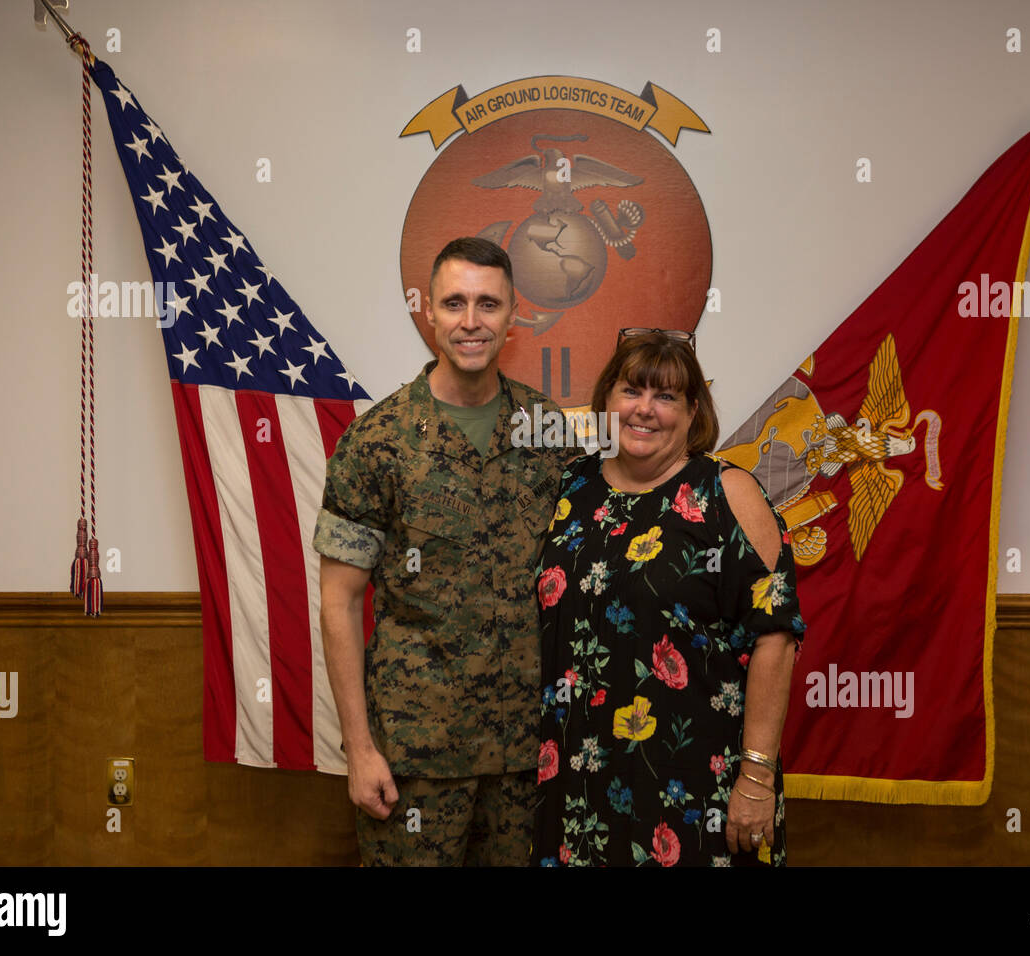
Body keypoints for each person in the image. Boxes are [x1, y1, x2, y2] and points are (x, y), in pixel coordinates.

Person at [314, 237, 574, 865]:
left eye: (488, 304)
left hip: (525, 757)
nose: (470, 321)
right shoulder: (377, 441)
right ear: (427, 311)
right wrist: (360, 748)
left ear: (513, 316)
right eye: (454, 303)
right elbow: (340, 601)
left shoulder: (547, 432)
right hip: (415, 758)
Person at [533, 329, 807, 866]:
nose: (645, 410)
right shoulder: (569, 488)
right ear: (606, 399)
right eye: (632, 391)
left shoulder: (728, 493)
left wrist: (756, 774)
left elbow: (775, 635)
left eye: (666, 396)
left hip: (697, 787)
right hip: (577, 784)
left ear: (692, 411)